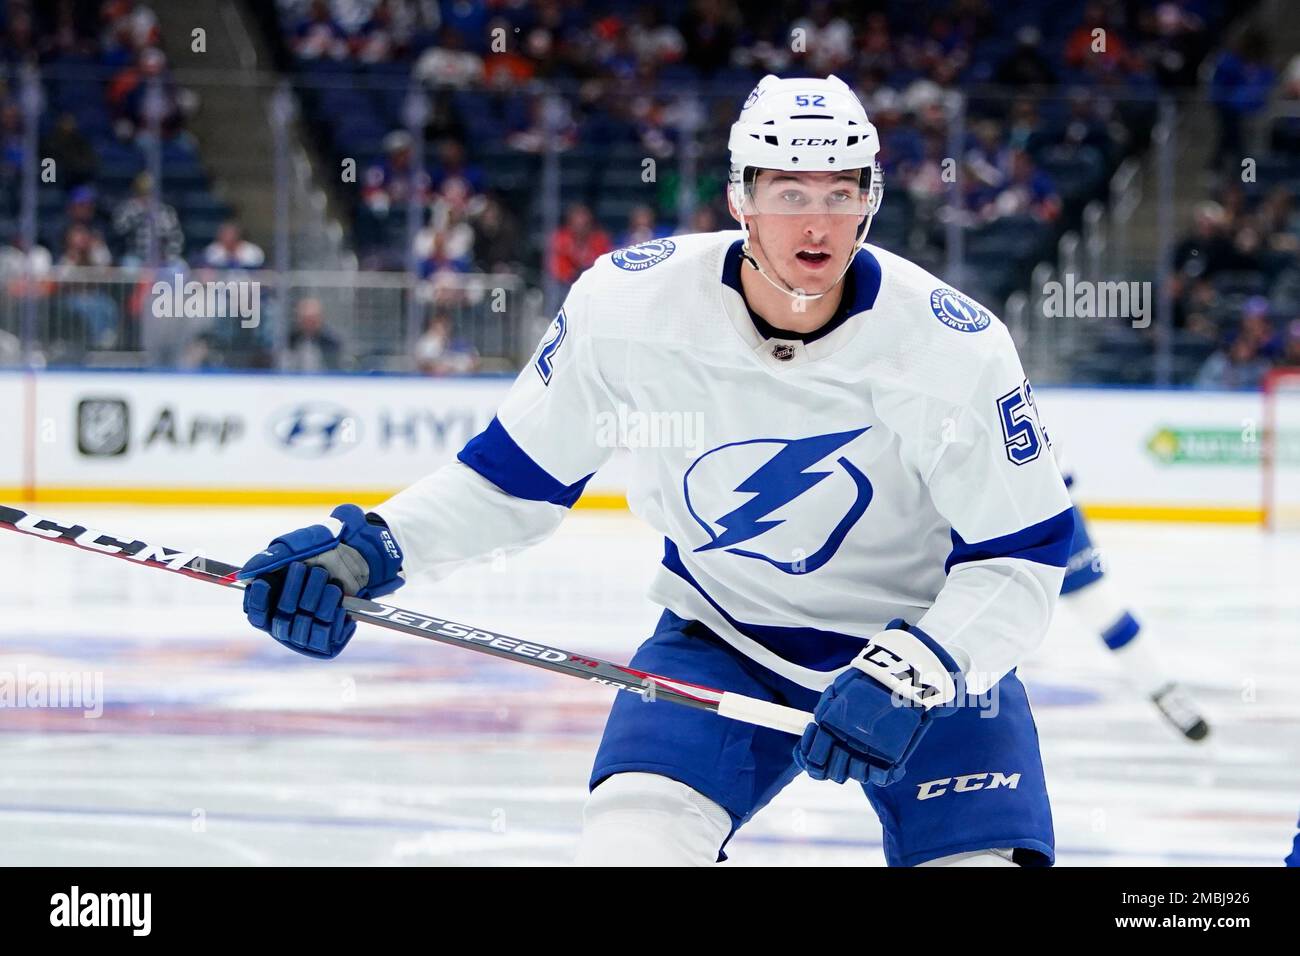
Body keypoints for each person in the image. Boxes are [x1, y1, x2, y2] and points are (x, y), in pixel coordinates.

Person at [237, 75, 1074, 867]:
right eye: (790, 194)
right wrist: (368, 551)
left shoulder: (951, 348)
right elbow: (512, 482)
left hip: (926, 669)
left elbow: (1024, 559)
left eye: (841, 192)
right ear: (742, 196)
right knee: (628, 847)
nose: (818, 225)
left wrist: (915, 668)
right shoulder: (631, 306)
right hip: (721, 641)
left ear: (871, 199)